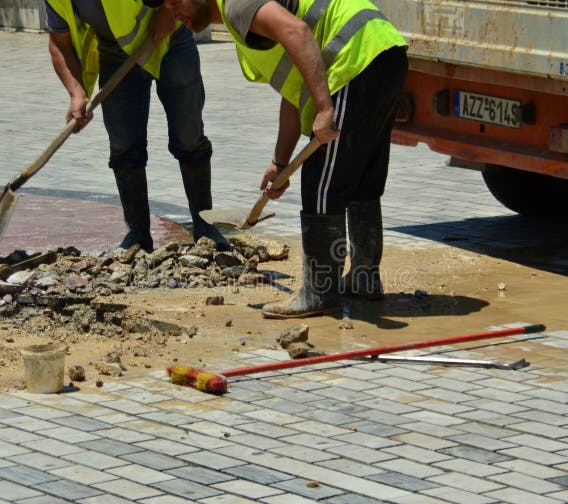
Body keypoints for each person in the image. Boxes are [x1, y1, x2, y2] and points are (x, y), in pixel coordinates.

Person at [165, 0, 408, 318]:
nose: (172, 12)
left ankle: (319, 293)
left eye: (174, 1)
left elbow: (297, 31)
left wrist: (324, 108)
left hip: (356, 59)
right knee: (360, 176)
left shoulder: (237, 6)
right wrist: (280, 163)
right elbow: (295, 88)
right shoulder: (241, 13)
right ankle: (364, 277)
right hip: (382, 52)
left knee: (322, 185)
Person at [45, 0, 228, 252]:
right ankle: (138, 236)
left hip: (170, 39)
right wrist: (77, 93)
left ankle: (206, 227)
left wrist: (167, 11)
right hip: (116, 53)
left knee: (189, 136)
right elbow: (59, 41)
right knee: (124, 144)